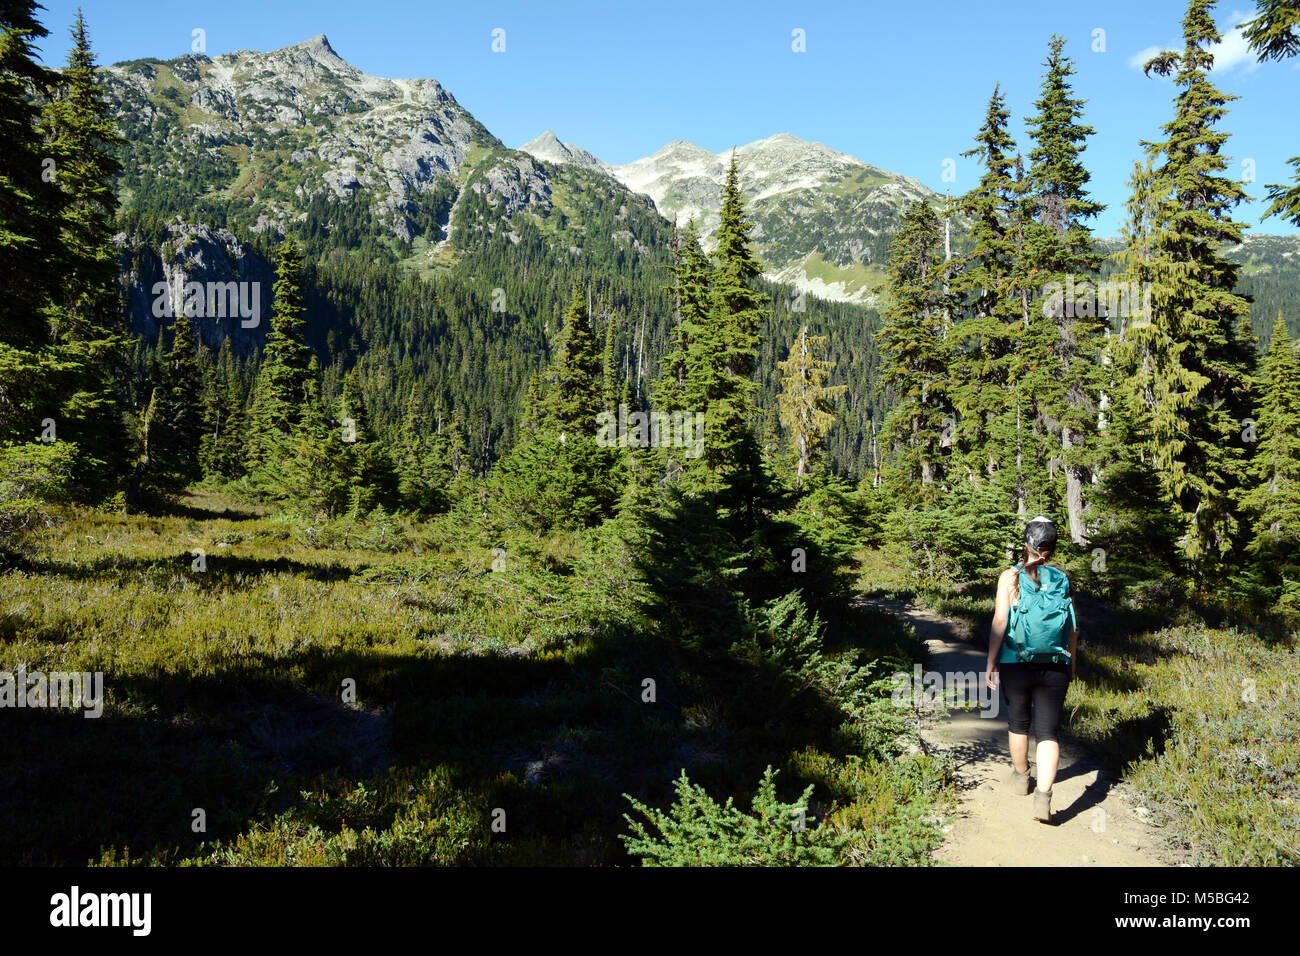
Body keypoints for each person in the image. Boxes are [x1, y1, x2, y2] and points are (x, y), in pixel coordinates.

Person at [985, 516, 1077, 823]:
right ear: (1051, 547)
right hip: (1056, 664)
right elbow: (1072, 628)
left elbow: (1000, 622)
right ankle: (1043, 799)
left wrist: (991, 662)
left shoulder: (1010, 577)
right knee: (1048, 732)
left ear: (1027, 543)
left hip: (1016, 662)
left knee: (1018, 722)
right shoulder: (1063, 578)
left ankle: (1022, 777)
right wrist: (1070, 663)